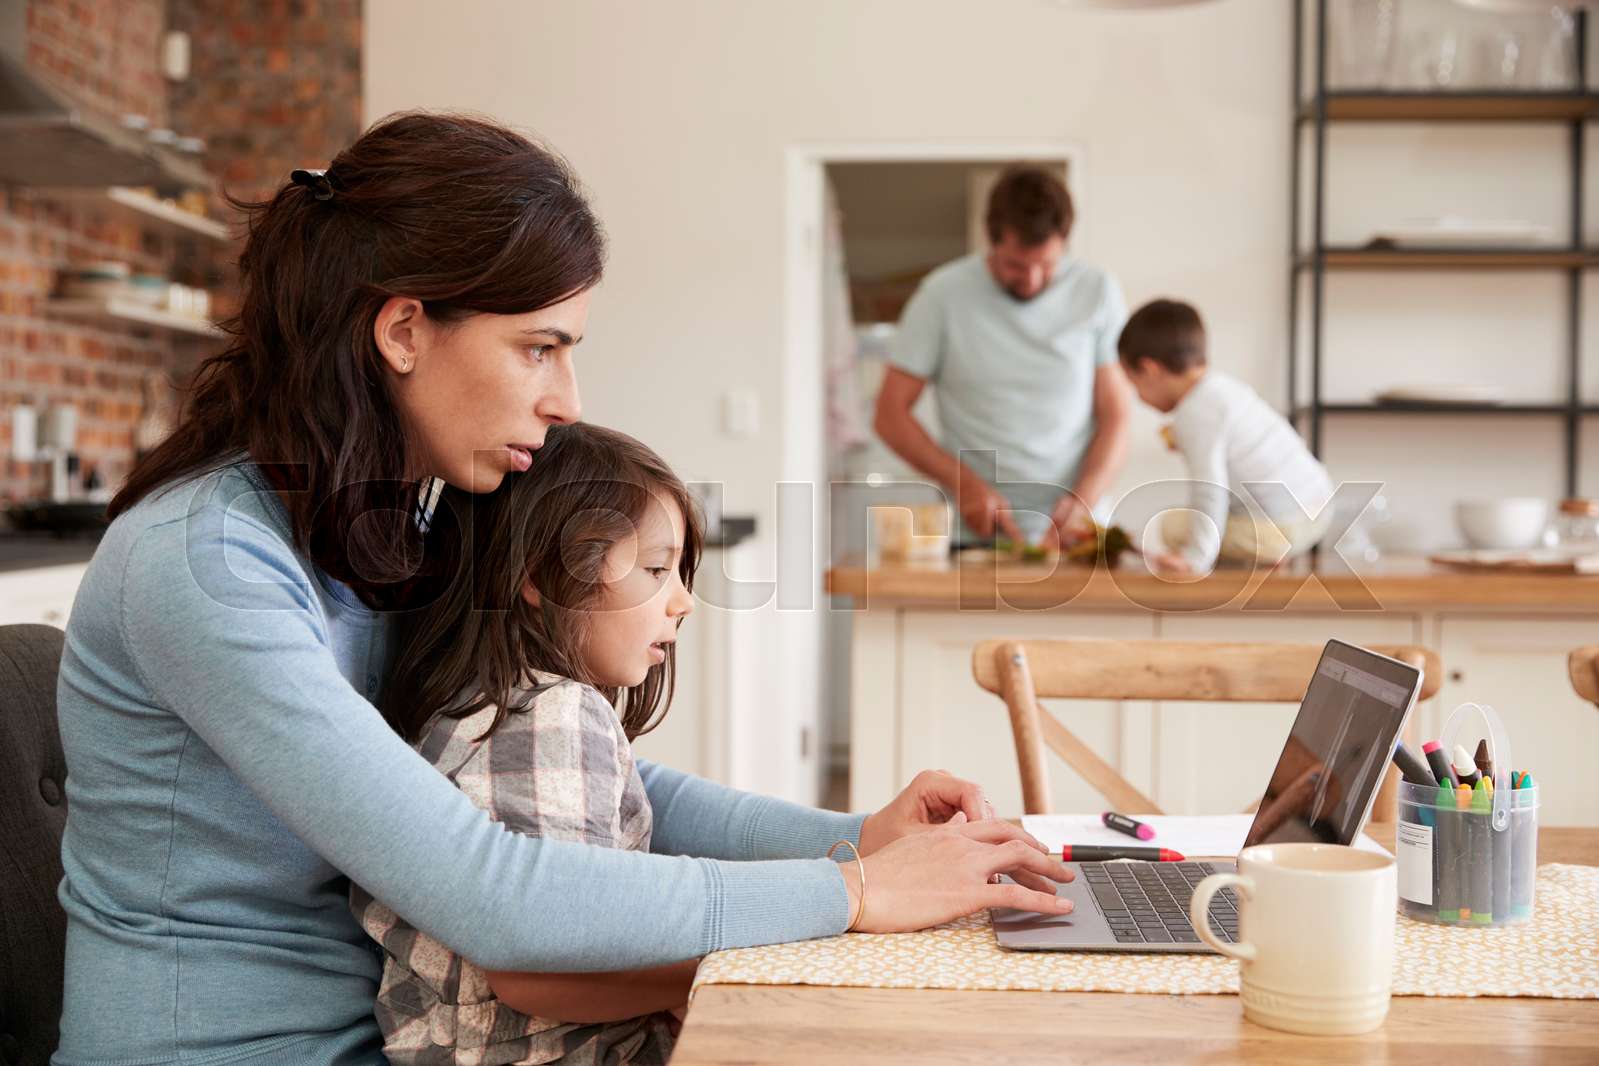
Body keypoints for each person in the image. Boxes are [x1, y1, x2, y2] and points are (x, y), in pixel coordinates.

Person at [52, 112, 1074, 1066]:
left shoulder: (395, 525)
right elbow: (490, 890)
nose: (565, 399)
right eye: (538, 347)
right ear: (403, 330)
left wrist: (856, 837)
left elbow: (594, 778)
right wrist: (855, 891)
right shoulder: (208, 564)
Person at [353, 423, 705, 1065]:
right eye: (657, 568)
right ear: (541, 574)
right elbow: (545, 967)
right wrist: (716, 970)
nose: (682, 599)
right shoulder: (553, 715)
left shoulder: (473, 705)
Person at [873, 165, 1132, 546]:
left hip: (1075, 535)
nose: (1031, 281)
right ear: (991, 241)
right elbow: (889, 415)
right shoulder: (941, 296)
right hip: (975, 534)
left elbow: (1117, 414)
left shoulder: (1097, 291)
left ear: (1064, 242)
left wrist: (1085, 497)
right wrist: (962, 484)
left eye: (1046, 265)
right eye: (1015, 265)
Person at [1116, 298, 1335, 576]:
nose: (1139, 398)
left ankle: (1258, 554)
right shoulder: (1223, 390)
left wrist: (1195, 558)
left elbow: (1210, 488)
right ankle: (1265, 552)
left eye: (1135, 384)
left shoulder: (1195, 413)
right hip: (1318, 509)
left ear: (1150, 370)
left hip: (1281, 527)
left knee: (1173, 525)